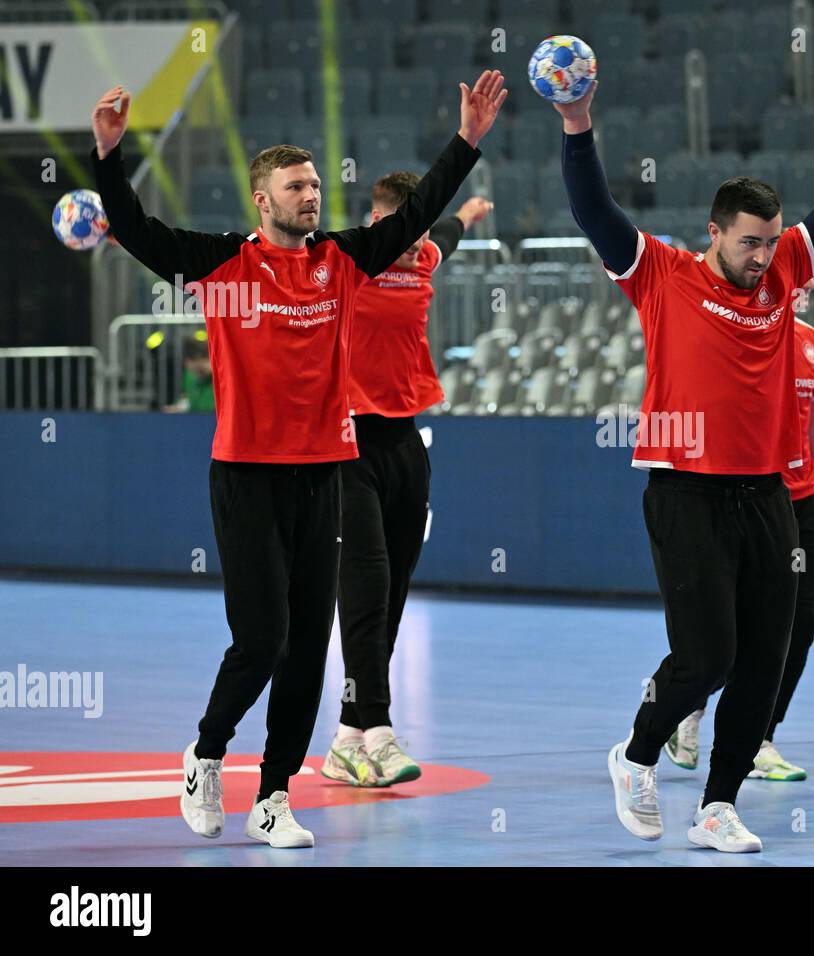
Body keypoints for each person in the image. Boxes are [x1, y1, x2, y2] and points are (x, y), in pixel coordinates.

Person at [91, 72, 505, 846]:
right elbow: (138, 229)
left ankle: (275, 795)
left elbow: (418, 216)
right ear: (263, 200)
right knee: (263, 638)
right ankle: (206, 752)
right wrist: (109, 157)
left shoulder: (343, 262)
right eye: (296, 187)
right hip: (246, 474)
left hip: (324, 472)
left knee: (310, 644)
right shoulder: (218, 266)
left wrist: (468, 140)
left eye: (315, 184)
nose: (311, 196)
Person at [558, 72, 814, 851]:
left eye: (772, 242)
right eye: (749, 242)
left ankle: (717, 806)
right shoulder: (658, 275)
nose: (762, 256)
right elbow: (595, 211)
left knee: (765, 659)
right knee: (708, 655)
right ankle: (635, 754)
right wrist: (578, 124)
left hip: (770, 493)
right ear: (714, 232)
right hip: (685, 490)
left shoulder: (784, 275)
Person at [321, 177, 492, 787]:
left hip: (405, 442)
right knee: (364, 585)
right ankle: (381, 732)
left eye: (422, 228)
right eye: (406, 227)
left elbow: (445, 235)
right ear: (376, 220)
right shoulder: (345, 263)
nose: (416, 240)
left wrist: (465, 215)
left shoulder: (422, 254)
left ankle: (345, 738)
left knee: (392, 591)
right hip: (347, 444)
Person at [663, 279, 814, 782]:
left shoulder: (811, 341)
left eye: (812, 282)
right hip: (751, 499)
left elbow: (813, 422)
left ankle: (760, 738)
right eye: (799, 277)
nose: (809, 286)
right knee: (728, 630)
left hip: (799, 502)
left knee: (800, 625)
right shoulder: (740, 332)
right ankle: (685, 707)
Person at [164, 334, 216, 413]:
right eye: (192, 360)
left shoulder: (221, 378)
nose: (198, 365)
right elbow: (187, 398)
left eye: (203, 358)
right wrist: (178, 408)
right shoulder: (188, 376)